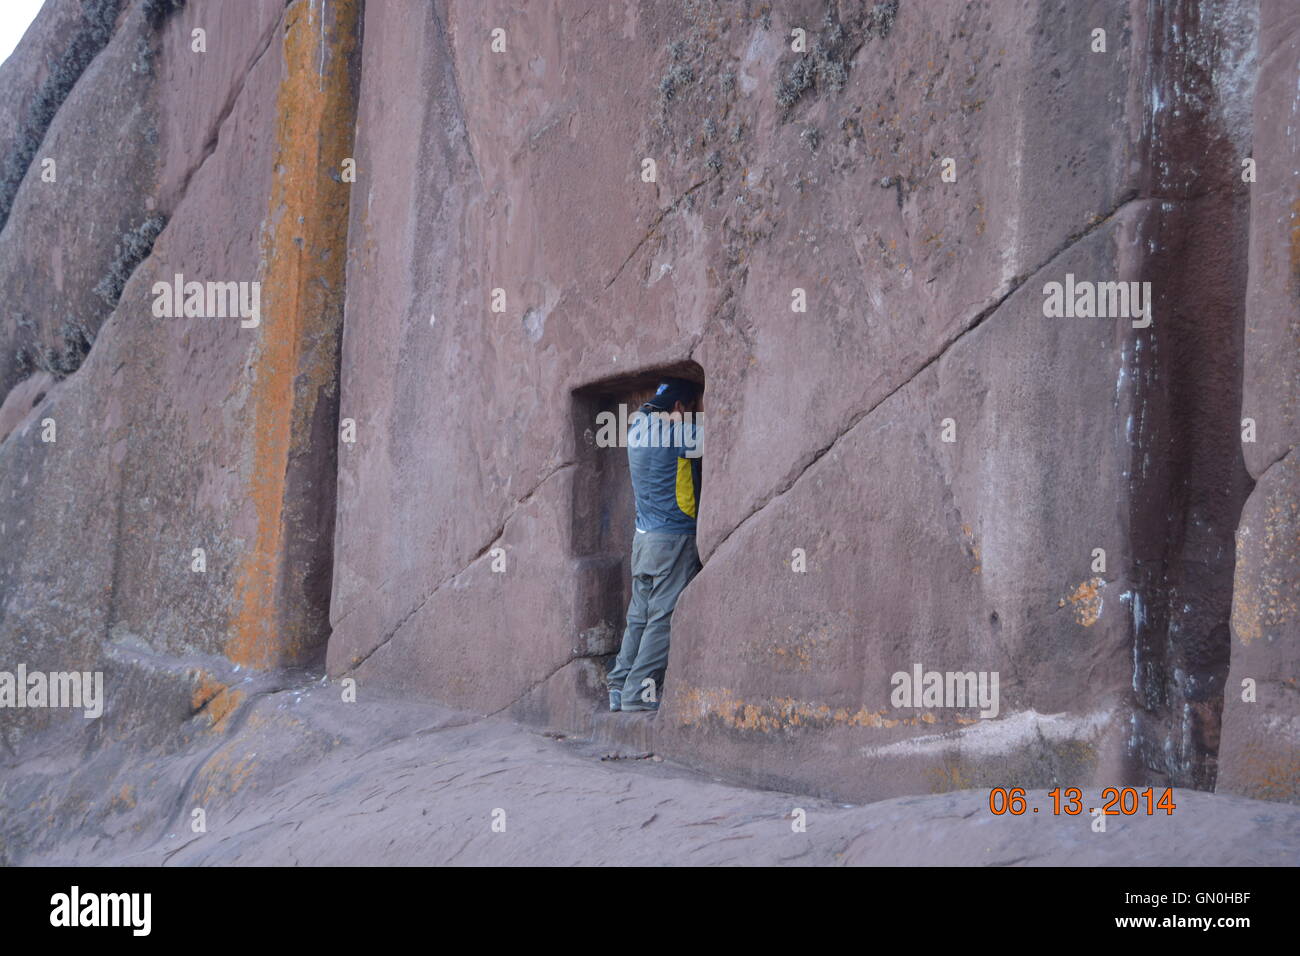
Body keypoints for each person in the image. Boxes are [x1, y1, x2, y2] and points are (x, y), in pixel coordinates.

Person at [607, 377, 703, 713]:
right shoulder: (681, 433)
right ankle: (639, 694)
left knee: (639, 615)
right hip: (673, 537)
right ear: (680, 407)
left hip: (643, 537)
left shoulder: (636, 430)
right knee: (662, 617)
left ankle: (618, 686)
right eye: (693, 408)